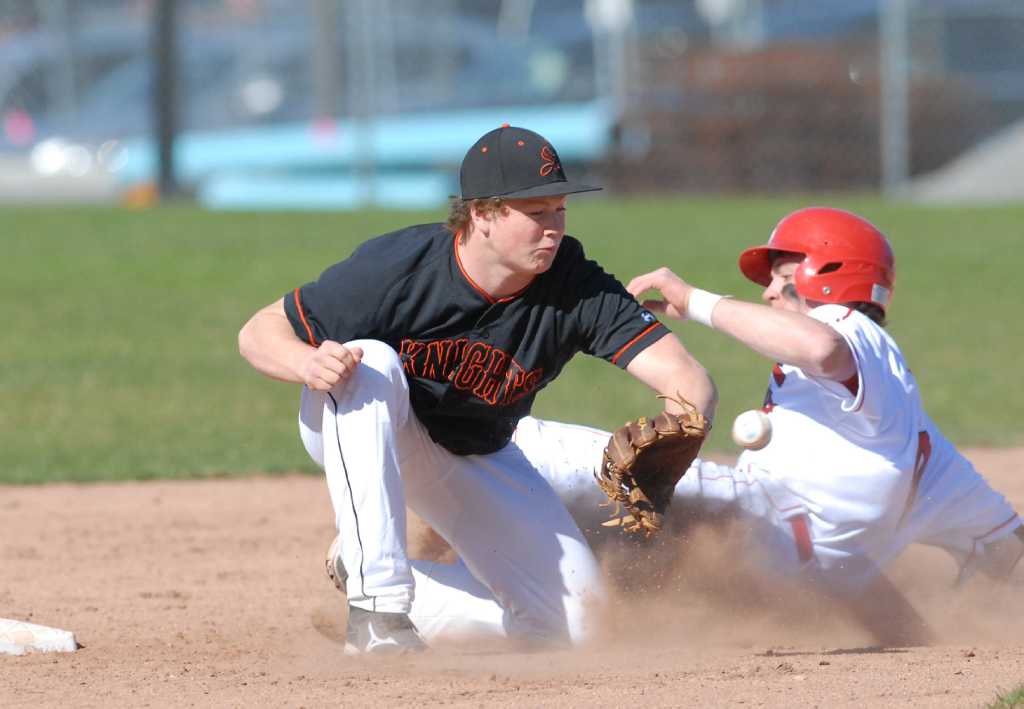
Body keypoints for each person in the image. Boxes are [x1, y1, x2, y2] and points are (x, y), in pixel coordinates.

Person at [238, 124, 717, 655]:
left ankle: (368, 569)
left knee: (577, 629)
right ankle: (378, 610)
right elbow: (259, 331)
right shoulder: (403, 266)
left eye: (559, 210)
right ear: (482, 214)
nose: (553, 228)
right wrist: (306, 361)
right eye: (535, 214)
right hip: (364, 420)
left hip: (471, 452)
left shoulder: (576, 286)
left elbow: (686, 376)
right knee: (371, 359)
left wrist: (683, 435)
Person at [614, 206, 1024, 645]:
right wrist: (933, 637)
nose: (769, 293)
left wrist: (696, 301)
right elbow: (1007, 548)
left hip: (754, 535)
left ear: (829, 276)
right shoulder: (920, 445)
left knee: (584, 471)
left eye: (782, 276)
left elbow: (823, 348)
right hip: (795, 569)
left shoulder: (843, 324)